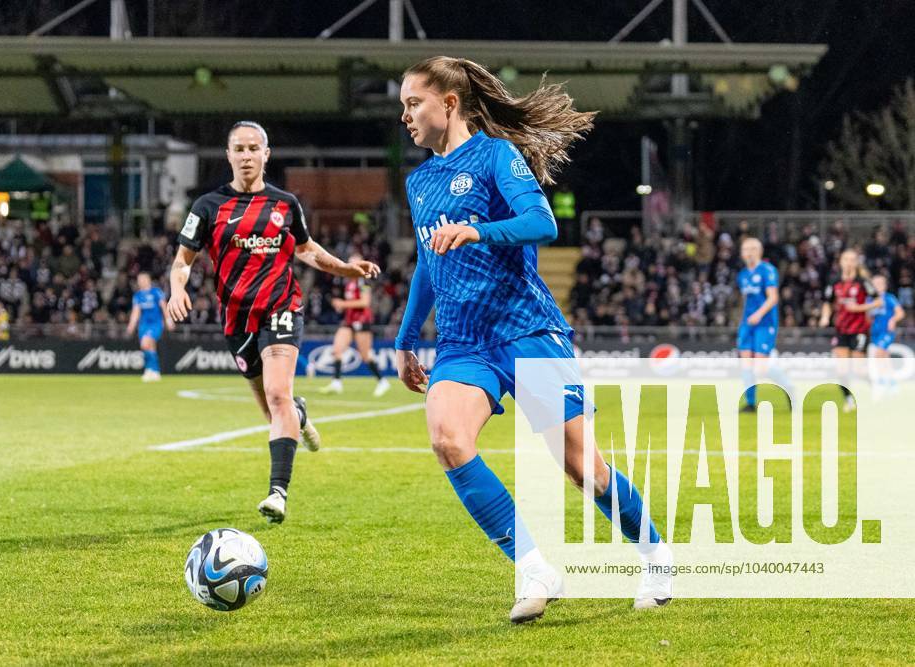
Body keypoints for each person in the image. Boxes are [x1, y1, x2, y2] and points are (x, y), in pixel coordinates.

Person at [394, 56, 671, 624]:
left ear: (448, 103)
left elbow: (542, 222)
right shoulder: (418, 180)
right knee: (448, 438)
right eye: (402, 105)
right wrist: (404, 339)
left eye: (413, 102)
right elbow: (427, 261)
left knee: (583, 470)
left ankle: (655, 553)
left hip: (526, 330)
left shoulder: (497, 155)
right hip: (462, 342)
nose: (405, 115)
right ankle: (533, 567)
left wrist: (478, 229)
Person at [167, 120, 380, 524]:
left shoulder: (285, 205)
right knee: (273, 410)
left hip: (282, 307)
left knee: (279, 394)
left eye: (253, 148)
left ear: (267, 154)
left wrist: (347, 270)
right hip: (236, 319)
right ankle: (298, 417)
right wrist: (177, 290)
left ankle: (277, 493)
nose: (246, 156)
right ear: (228, 155)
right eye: (239, 149)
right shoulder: (207, 207)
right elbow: (183, 261)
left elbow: (307, 250)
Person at [320, 252, 391, 397]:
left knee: (365, 355)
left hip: (362, 320)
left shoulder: (363, 281)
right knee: (337, 349)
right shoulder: (349, 282)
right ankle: (336, 382)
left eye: (356, 263)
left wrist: (343, 304)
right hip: (349, 320)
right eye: (351, 263)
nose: (352, 266)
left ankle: (382, 381)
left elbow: (365, 302)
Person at [819, 249, 882, 411]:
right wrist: (825, 316)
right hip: (841, 330)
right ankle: (849, 400)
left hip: (860, 330)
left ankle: (875, 386)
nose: (848, 262)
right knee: (841, 369)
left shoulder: (862, 282)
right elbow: (827, 302)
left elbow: (878, 302)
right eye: (846, 259)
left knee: (858, 369)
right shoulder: (834, 282)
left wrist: (859, 307)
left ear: (856, 262)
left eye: (852, 259)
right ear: (841, 262)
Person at [736, 237, 794, 411]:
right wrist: (743, 320)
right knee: (746, 364)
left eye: (753, 248)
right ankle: (751, 403)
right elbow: (746, 300)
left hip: (765, 322)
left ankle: (789, 387)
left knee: (760, 369)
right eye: (746, 248)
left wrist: (758, 314)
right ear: (741, 253)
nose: (749, 252)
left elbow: (773, 297)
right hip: (748, 324)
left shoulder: (767, 270)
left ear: (760, 251)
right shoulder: (742, 275)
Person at [125, 272, 173, 382]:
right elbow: (136, 312)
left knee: (145, 343)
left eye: (143, 279)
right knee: (148, 347)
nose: (141, 281)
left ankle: (152, 369)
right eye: (139, 280)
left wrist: (169, 320)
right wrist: (131, 325)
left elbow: (164, 307)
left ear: (148, 280)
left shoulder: (156, 292)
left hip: (155, 324)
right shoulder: (138, 296)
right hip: (143, 325)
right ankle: (152, 371)